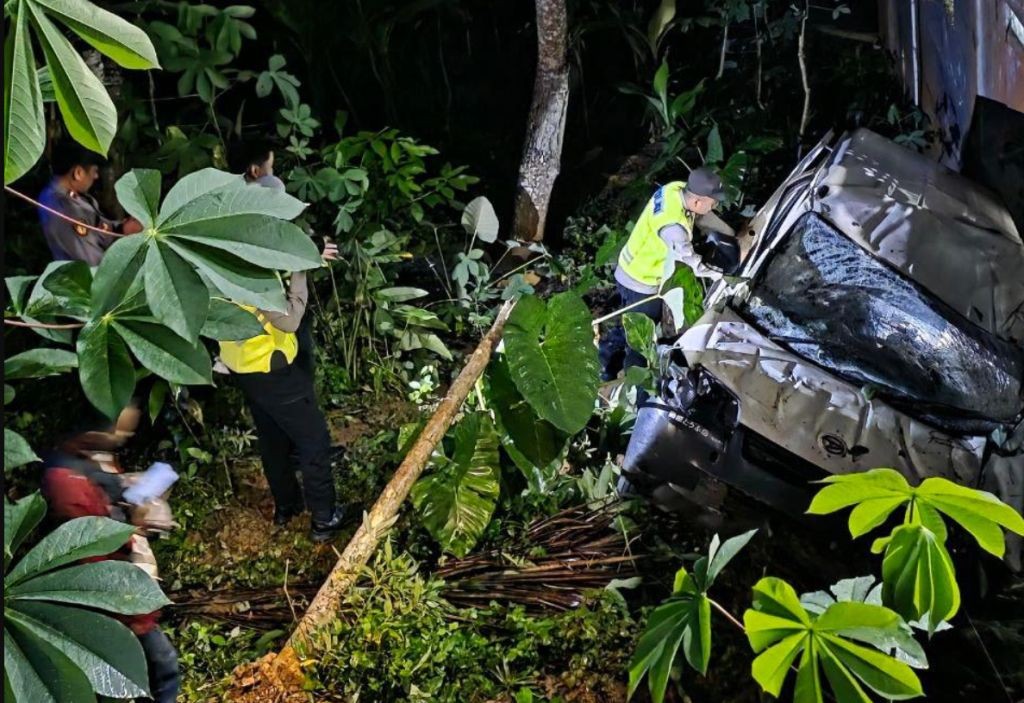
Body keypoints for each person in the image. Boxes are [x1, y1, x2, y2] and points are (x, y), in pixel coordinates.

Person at [41, 405, 181, 703]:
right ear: (95, 428)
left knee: (158, 670)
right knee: (155, 671)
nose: (123, 438)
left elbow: (111, 500)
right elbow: (90, 552)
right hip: (111, 600)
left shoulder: (90, 459)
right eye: (119, 430)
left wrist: (132, 492)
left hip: (125, 594)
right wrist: (136, 524)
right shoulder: (68, 482)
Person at [216, 247, 345, 541]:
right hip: (273, 369)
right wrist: (301, 268)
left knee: (272, 439)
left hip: (243, 367)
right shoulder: (252, 275)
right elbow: (289, 320)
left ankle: (287, 507)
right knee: (313, 440)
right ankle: (324, 517)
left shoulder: (217, 261)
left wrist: (305, 251)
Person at [600, 167, 728, 381]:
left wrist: (731, 234)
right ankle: (632, 384)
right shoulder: (673, 228)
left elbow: (702, 219)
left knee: (626, 323)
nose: (715, 205)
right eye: (713, 202)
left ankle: (604, 361)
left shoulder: (674, 189)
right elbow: (692, 263)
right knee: (641, 339)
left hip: (628, 267)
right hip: (642, 282)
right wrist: (720, 276)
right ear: (697, 202)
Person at [38, 140, 143, 265]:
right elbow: (92, 263)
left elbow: (100, 229)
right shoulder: (63, 207)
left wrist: (123, 228)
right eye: (94, 171)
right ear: (78, 173)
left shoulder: (75, 197)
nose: (96, 176)